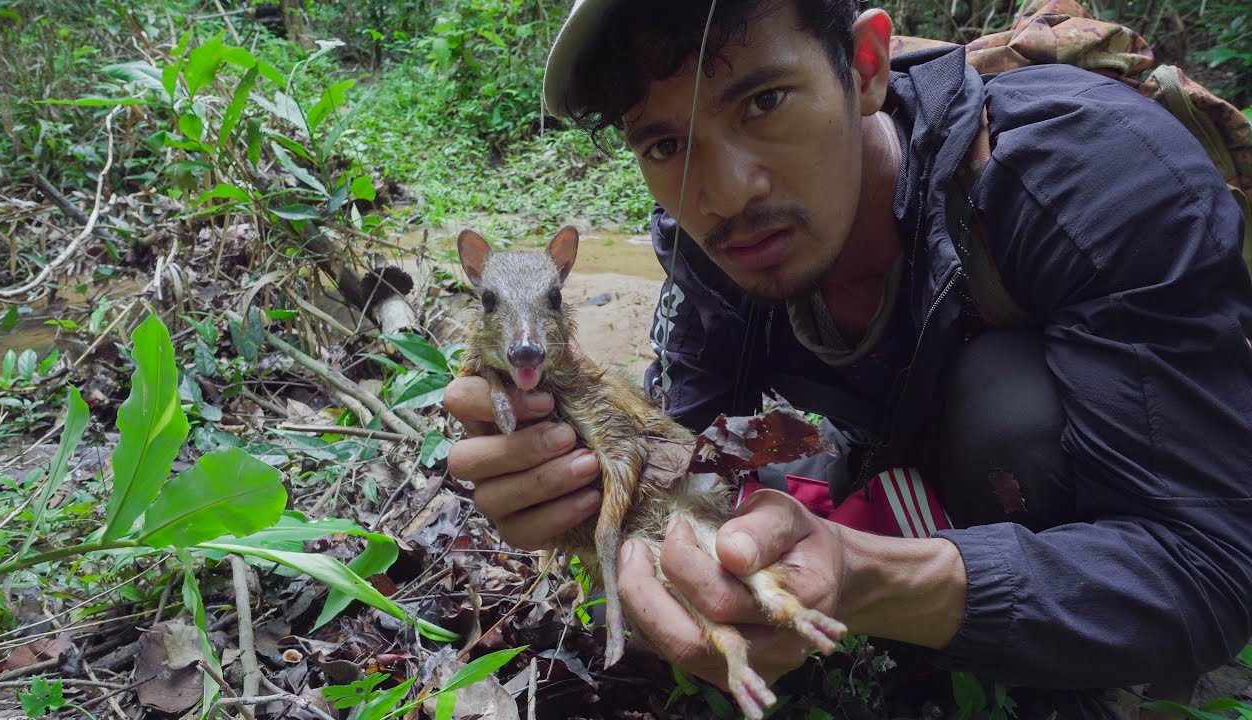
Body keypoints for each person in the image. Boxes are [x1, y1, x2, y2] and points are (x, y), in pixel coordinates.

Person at [444, 0, 1252, 708]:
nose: (724, 194)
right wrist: (574, 488)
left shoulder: (1092, 178)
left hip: (1089, 472)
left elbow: (1211, 572)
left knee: (1011, 409)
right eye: (665, 144)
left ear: (866, 66)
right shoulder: (712, 246)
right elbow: (683, 452)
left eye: (763, 101)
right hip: (894, 455)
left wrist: (875, 578)